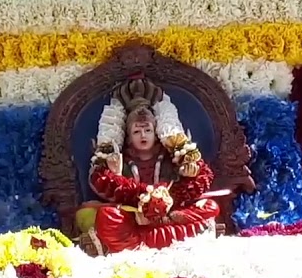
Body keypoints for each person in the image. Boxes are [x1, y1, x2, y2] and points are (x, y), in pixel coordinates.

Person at [75, 79, 220, 254]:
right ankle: (169, 239)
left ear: (156, 133)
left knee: (210, 206)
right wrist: (116, 175)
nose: (143, 135)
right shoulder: (120, 159)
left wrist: (190, 173)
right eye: (136, 131)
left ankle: (145, 240)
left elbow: (202, 177)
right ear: (128, 137)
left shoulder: (170, 157)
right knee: (107, 215)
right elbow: (102, 182)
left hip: (170, 213)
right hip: (136, 218)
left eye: (148, 130)